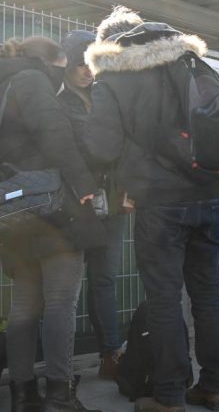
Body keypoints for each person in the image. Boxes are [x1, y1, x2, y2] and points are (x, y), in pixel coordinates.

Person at [84, 6, 219, 412]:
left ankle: (168, 397)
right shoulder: (197, 64)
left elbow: (102, 147)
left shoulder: (115, 76)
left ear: (110, 43)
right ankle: (216, 388)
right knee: (208, 294)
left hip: (161, 201)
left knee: (164, 297)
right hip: (212, 194)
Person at [1, 37, 101, 412]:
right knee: (60, 301)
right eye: (63, 69)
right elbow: (55, 133)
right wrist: (85, 184)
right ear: (52, 65)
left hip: (11, 210)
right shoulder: (33, 80)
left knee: (24, 304)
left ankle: (23, 395)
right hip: (51, 207)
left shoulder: (6, 82)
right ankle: (60, 393)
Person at [57, 29, 125, 379]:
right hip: (75, 204)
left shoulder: (103, 96)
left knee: (105, 279)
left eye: (92, 62)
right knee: (66, 288)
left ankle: (109, 355)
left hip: (110, 202)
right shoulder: (58, 99)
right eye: (80, 62)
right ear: (66, 61)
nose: (86, 69)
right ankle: (61, 369)